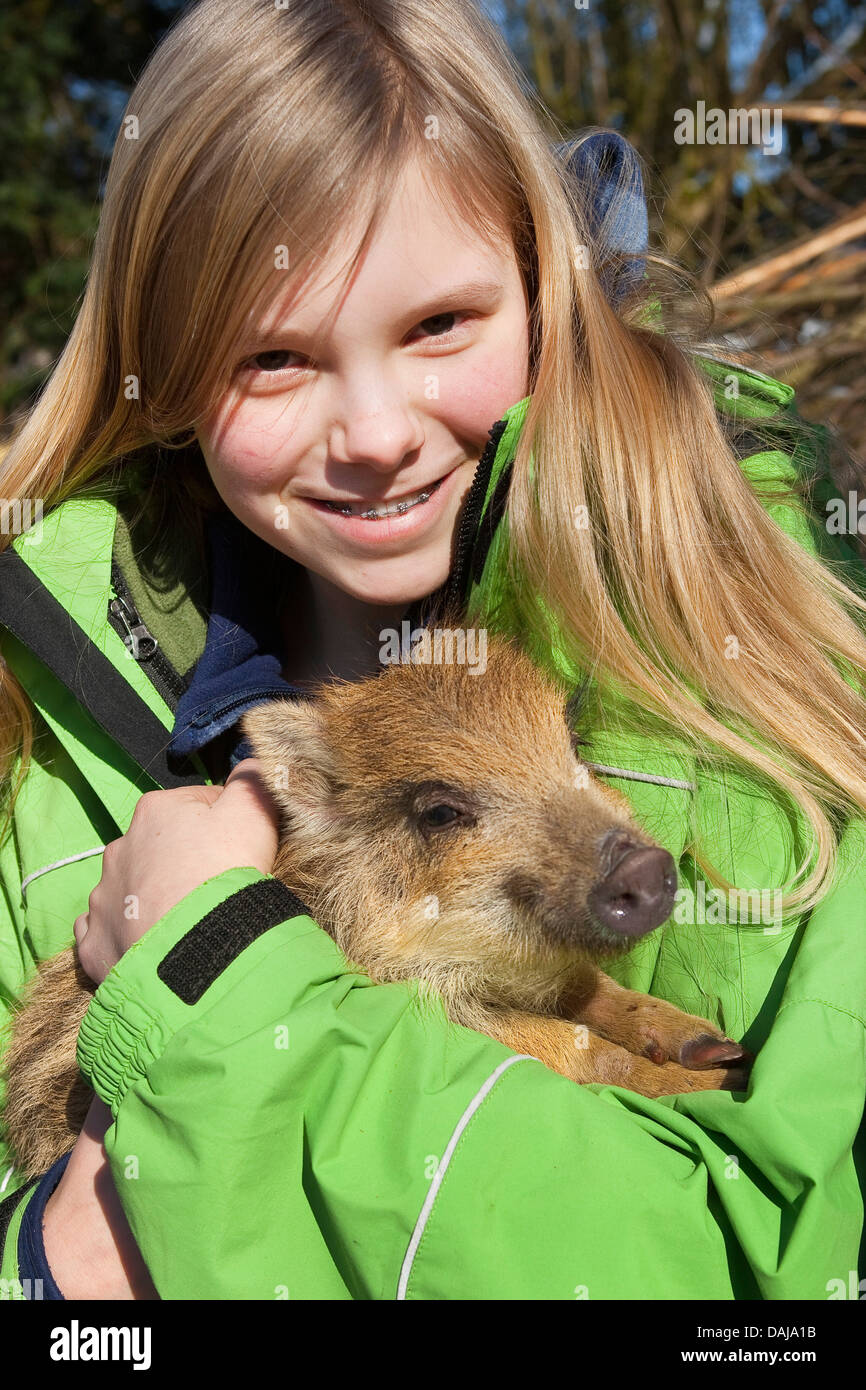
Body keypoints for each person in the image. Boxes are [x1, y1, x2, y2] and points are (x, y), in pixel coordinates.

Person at [1, 0, 865, 1301]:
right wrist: (41, 1269)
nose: (374, 432)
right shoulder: (36, 709)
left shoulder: (747, 647)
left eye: (438, 326)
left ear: (541, 287)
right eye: (275, 357)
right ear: (167, 374)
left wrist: (211, 980)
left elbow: (756, 1276)